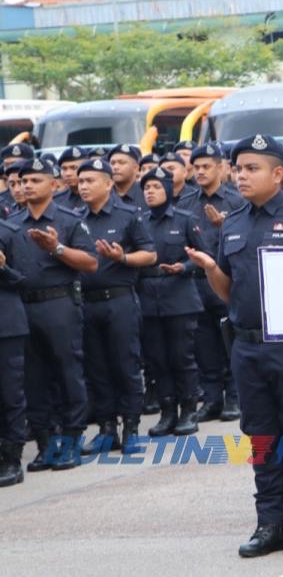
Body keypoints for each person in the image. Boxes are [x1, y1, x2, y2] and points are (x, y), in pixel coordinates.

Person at [184, 134, 283, 558]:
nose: (242, 176)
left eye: (252, 168)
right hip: (247, 347)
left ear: (279, 172)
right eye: (239, 168)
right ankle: (270, 523)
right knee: (262, 439)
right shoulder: (232, 223)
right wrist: (213, 269)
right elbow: (229, 291)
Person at [8, 154, 98, 471]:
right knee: (32, 378)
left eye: (35, 180)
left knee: (67, 372)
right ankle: (46, 443)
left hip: (59, 304)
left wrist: (56, 249)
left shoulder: (69, 220)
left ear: (54, 184)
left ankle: (72, 440)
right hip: (23, 307)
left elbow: (90, 263)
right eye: (22, 181)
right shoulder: (11, 225)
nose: (27, 186)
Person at [75, 158, 158, 455]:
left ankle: (132, 428)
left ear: (108, 184)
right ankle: (107, 428)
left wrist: (122, 258)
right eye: (81, 181)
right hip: (86, 303)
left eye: (90, 181)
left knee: (126, 364)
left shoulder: (128, 215)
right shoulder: (75, 218)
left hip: (119, 300)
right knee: (96, 368)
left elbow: (149, 255)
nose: (83, 186)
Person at [138, 167, 208, 439]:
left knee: (182, 357)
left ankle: (189, 408)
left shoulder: (185, 219)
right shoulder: (139, 221)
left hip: (179, 296)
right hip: (148, 296)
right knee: (157, 360)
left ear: (167, 189)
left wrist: (183, 266)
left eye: (156, 186)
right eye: (146, 188)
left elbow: (203, 256)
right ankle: (168, 411)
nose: (150, 192)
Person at [187, 142, 245, 423]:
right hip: (197, 282)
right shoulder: (186, 203)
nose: (200, 172)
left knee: (231, 342)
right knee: (205, 345)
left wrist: (226, 224)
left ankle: (235, 396)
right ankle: (211, 399)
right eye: (196, 167)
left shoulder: (237, 200)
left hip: (227, 280)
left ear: (222, 168)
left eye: (206, 166)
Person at [0, 212, 29, 486]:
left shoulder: (9, 232)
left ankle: (11, 457)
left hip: (5, 326)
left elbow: (27, 280)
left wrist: (3, 268)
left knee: (9, 393)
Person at [107, 145, 147, 210]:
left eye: (122, 163)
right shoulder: (102, 194)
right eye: (112, 163)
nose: (115, 167)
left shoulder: (146, 194)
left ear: (136, 168)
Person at [54, 147, 88, 211]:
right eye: (64, 169)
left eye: (74, 168)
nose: (68, 174)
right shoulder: (56, 200)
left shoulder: (99, 197)